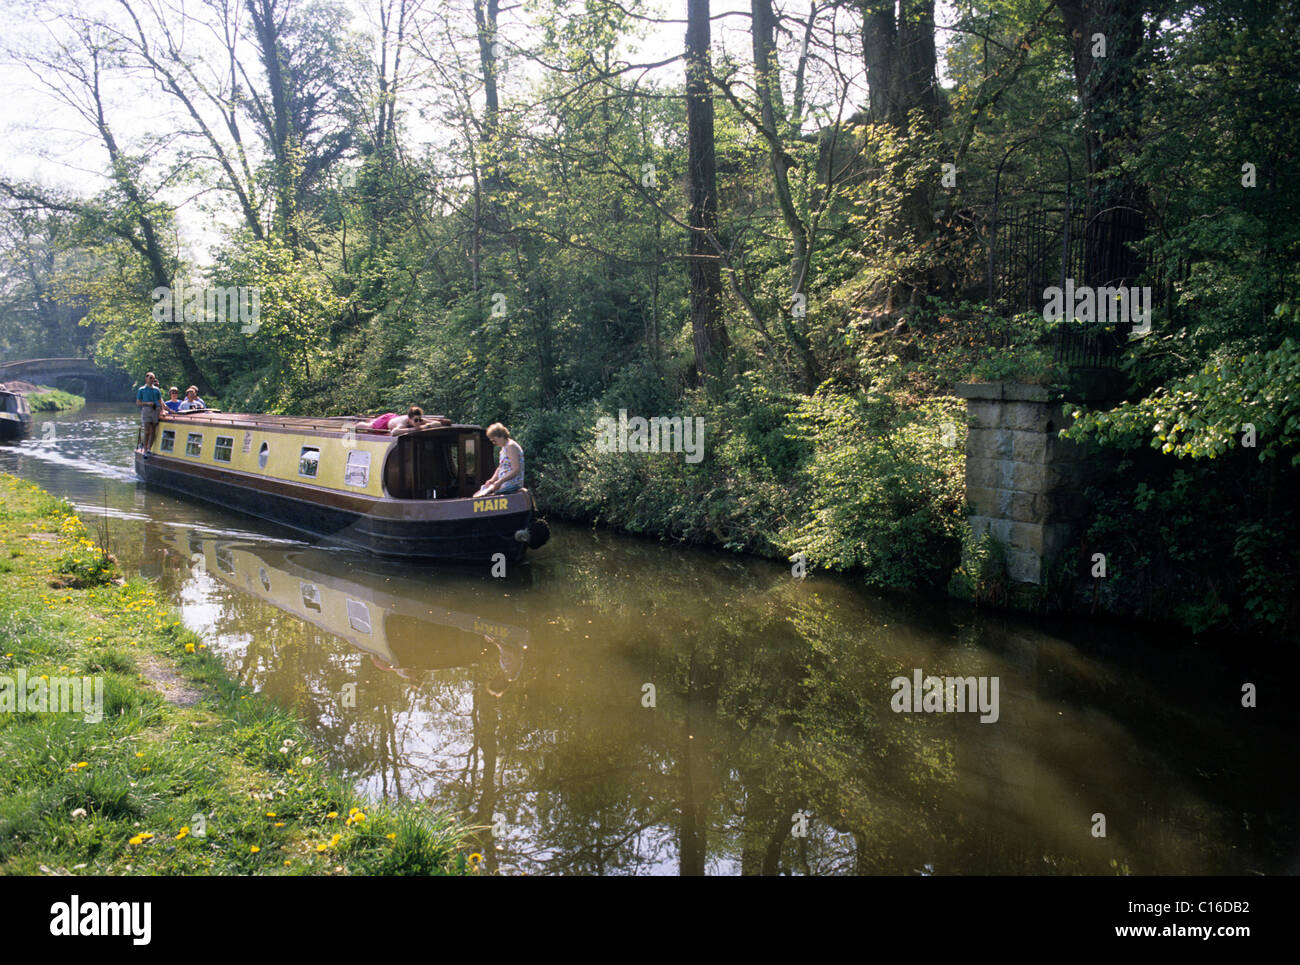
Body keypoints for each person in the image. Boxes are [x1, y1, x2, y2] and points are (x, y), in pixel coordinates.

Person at [477, 423, 524, 495]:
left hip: (513, 485)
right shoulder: (504, 448)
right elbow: (500, 467)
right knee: (482, 491)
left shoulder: (511, 446)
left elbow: (516, 469)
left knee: (489, 496)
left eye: (494, 440)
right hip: (504, 484)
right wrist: (492, 480)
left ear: (501, 436)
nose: (493, 443)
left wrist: (500, 481)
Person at [135, 372, 163, 453]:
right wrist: (147, 403)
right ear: (146, 379)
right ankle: (145, 448)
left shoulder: (156, 390)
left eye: (153, 378)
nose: (152, 380)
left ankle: (149, 449)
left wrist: (162, 410)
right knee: (147, 431)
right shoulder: (141, 390)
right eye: (150, 378)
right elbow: (138, 402)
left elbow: (159, 401)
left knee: (153, 430)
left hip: (156, 409)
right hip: (147, 410)